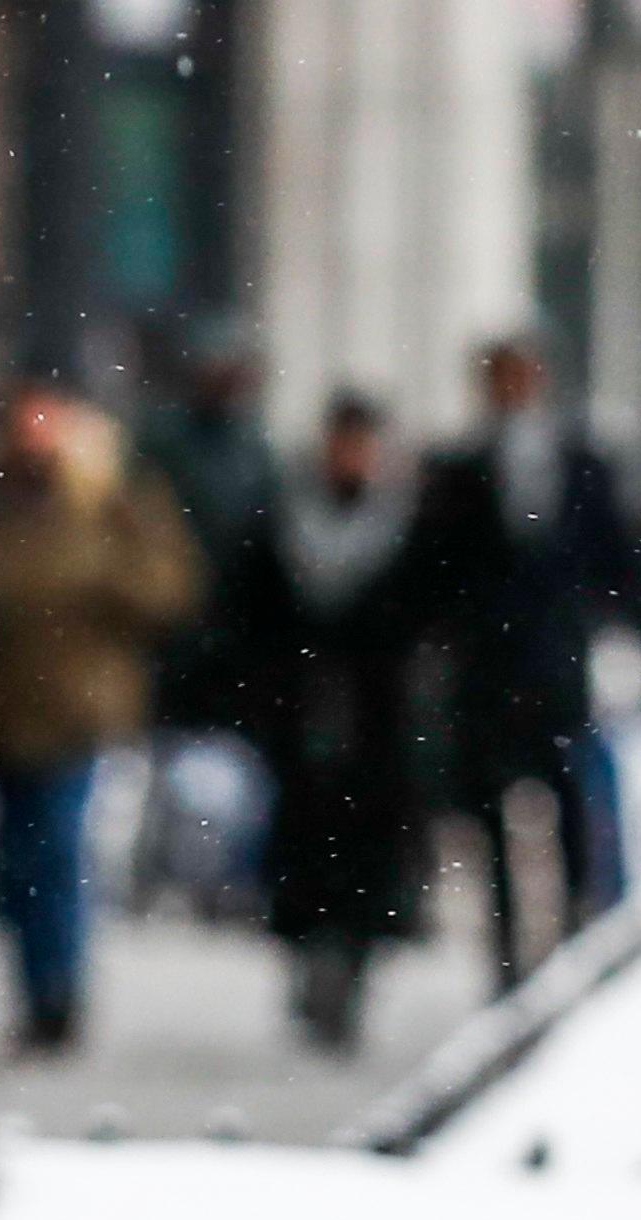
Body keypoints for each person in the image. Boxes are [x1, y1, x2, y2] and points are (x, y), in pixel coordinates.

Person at [0, 384, 202, 1053]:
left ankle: (58, 991)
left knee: (55, 851)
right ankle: (33, 989)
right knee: (11, 861)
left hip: (76, 710)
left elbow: (167, 591)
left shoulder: (110, 501)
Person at [414, 337, 636, 987]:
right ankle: (507, 951)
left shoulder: (584, 463)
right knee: (492, 810)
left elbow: (611, 558)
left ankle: (573, 930)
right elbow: (438, 569)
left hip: (556, 660)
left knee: (568, 794)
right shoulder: (458, 468)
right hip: (486, 665)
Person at [230, 388, 433, 1050]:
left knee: (368, 850)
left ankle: (352, 971)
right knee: (304, 845)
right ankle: (309, 963)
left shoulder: (407, 525)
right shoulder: (284, 519)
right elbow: (249, 615)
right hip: (302, 711)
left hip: (377, 718)